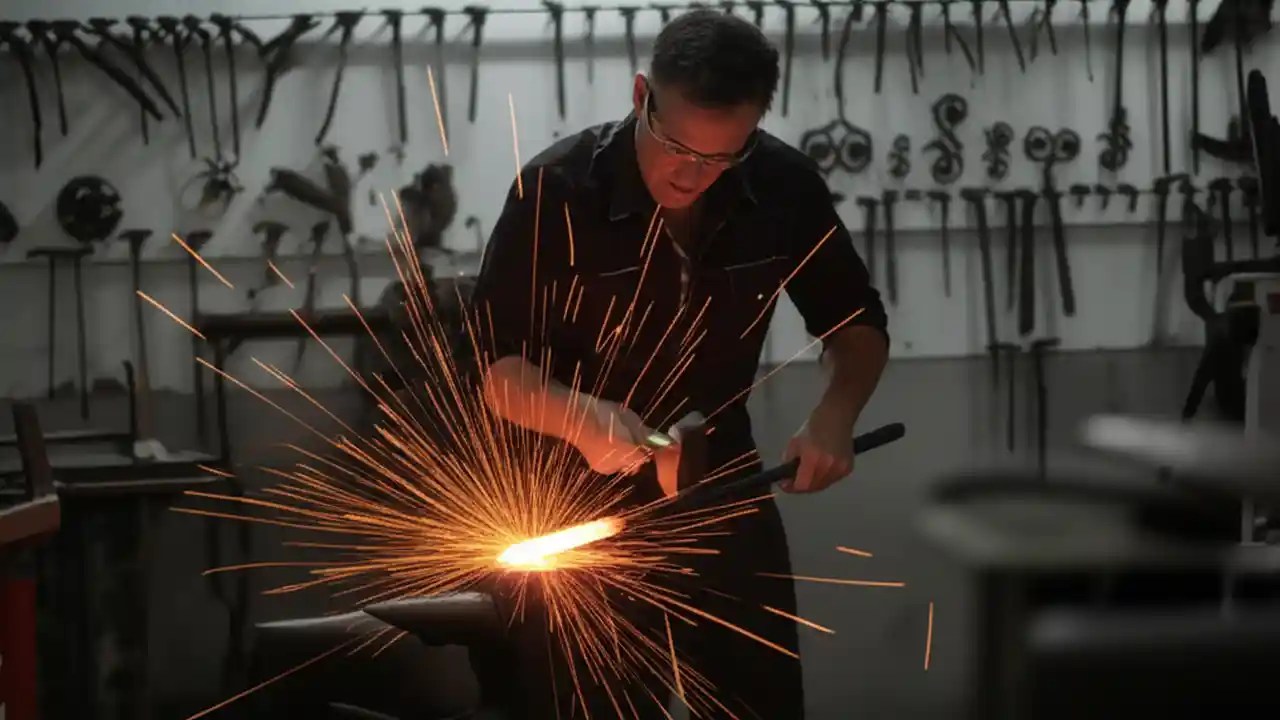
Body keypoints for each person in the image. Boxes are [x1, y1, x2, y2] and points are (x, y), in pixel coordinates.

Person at [469, 9, 888, 719]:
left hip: (722, 485)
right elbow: (495, 372)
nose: (694, 175)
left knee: (756, 703)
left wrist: (834, 417)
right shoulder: (555, 192)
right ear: (642, 95)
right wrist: (580, 416)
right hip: (575, 503)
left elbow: (857, 324)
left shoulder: (783, 187)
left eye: (723, 155)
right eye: (676, 147)